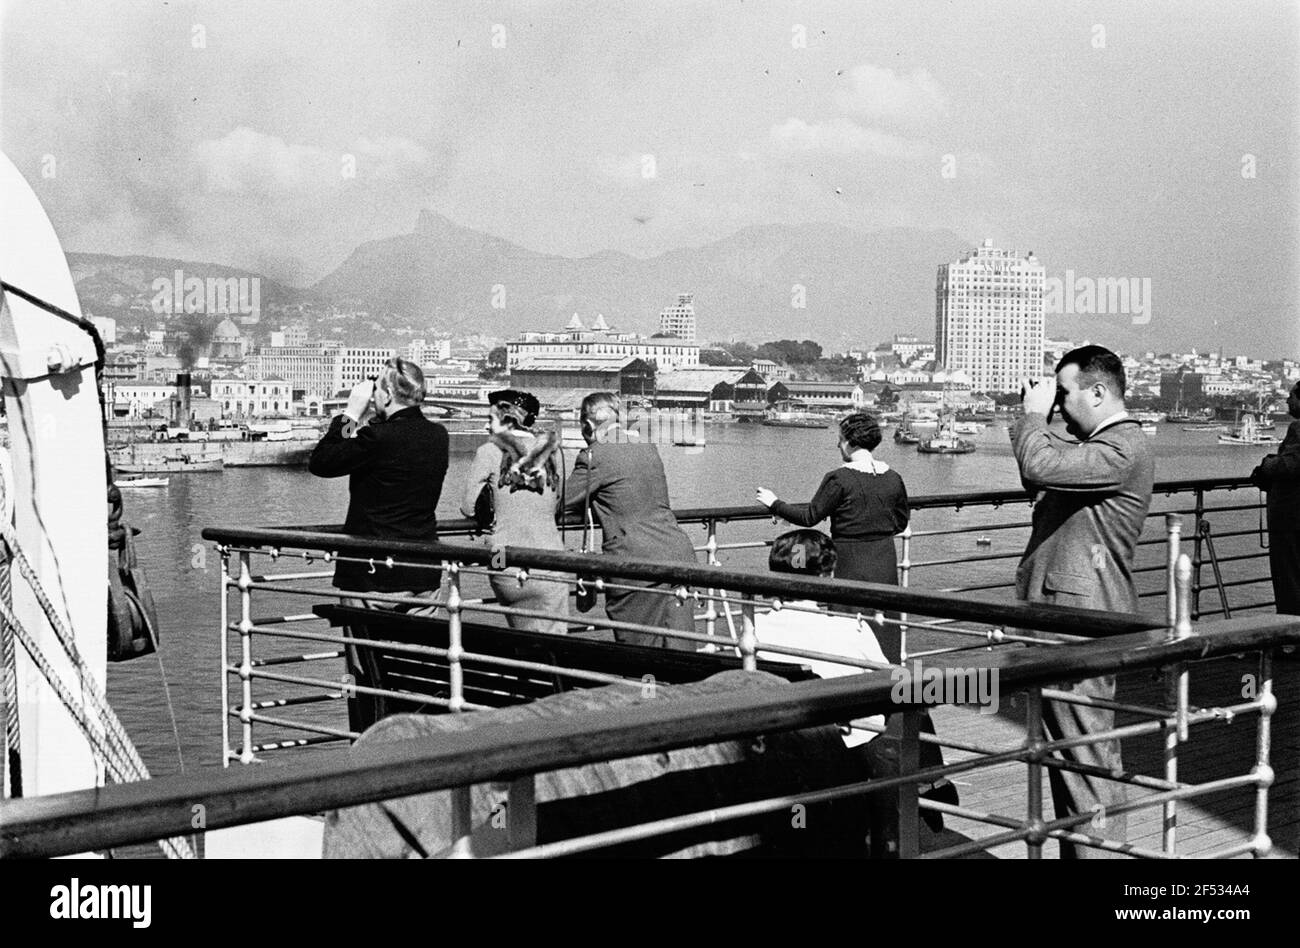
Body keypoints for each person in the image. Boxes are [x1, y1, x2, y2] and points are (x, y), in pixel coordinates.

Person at [1012, 344, 1154, 858]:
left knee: (1086, 760)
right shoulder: (1093, 449)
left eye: (1066, 393)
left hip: (1080, 619)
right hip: (1064, 614)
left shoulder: (1121, 448)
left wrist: (1033, 414)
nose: (1060, 402)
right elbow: (1038, 471)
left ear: (1097, 391)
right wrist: (1043, 416)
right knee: (1067, 758)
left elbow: (1040, 462)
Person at [756, 529, 955, 847]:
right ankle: (923, 792)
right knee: (909, 702)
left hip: (788, 740)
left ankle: (930, 784)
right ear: (829, 575)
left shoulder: (756, 630)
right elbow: (888, 682)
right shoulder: (849, 628)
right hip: (846, 745)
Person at [309, 357, 449, 730]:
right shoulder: (439, 436)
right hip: (423, 572)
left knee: (366, 675)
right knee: (418, 670)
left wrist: (350, 415)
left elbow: (322, 463)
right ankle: (417, 748)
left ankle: (370, 747)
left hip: (370, 578)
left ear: (385, 395)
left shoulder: (378, 437)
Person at [755, 411, 909, 657]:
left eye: (840, 439)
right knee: (883, 616)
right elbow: (901, 521)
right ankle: (886, 674)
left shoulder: (840, 479)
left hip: (849, 558)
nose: (838, 444)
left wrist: (775, 503)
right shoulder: (893, 477)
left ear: (849, 441)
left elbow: (809, 517)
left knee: (848, 620)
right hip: (884, 557)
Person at [561, 392, 698, 650]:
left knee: (639, 649)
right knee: (682, 648)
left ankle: (645, 690)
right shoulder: (647, 445)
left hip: (636, 563)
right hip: (679, 556)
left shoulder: (595, 455)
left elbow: (561, 506)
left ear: (587, 426)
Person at [460, 389, 569, 635]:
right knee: (554, 645)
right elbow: (558, 505)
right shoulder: (552, 451)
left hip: (503, 560)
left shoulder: (488, 451)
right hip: (550, 561)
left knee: (522, 641)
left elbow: (467, 508)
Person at [1251, 379, 1300, 616]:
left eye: (1292, 396)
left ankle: (1290, 638)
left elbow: (1292, 464)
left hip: (1290, 518)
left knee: (1289, 578)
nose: (1288, 400)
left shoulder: (1298, 429)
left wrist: (1268, 465)